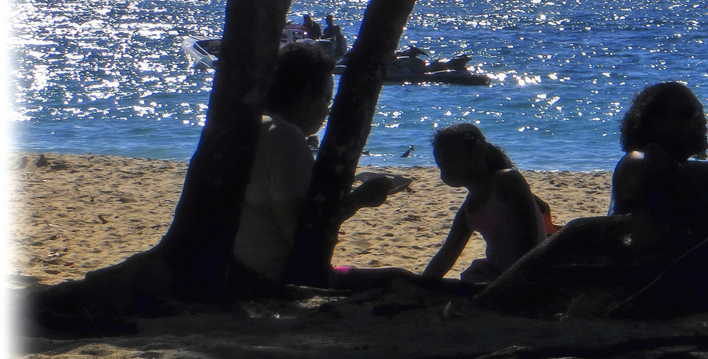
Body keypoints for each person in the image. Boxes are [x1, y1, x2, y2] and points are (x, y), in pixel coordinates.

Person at [232, 42, 394, 280]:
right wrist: (358, 201)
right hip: (273, 274)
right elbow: (302, 236)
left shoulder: (249, 127)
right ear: (307, 94)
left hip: (235, 269)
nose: (327, 112)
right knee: (398, 278)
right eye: (327, 100)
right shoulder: (285, 137)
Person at [423, 123, 553, 283]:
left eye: (452, 158)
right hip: (495, 273)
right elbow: (448, 254)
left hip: (526, 272)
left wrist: (513, 280)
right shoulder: (469, 209)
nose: (445, 167)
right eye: (441, 163)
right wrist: (423, 284)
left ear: (477, 155)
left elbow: (529, 238)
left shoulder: (507, 180)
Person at [609, 82, 708, 226]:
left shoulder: (680, 171)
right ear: (657, 123)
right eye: (690, 113)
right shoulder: (635, 161)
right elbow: (655, 169)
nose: (703, 120)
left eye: (702, 113)